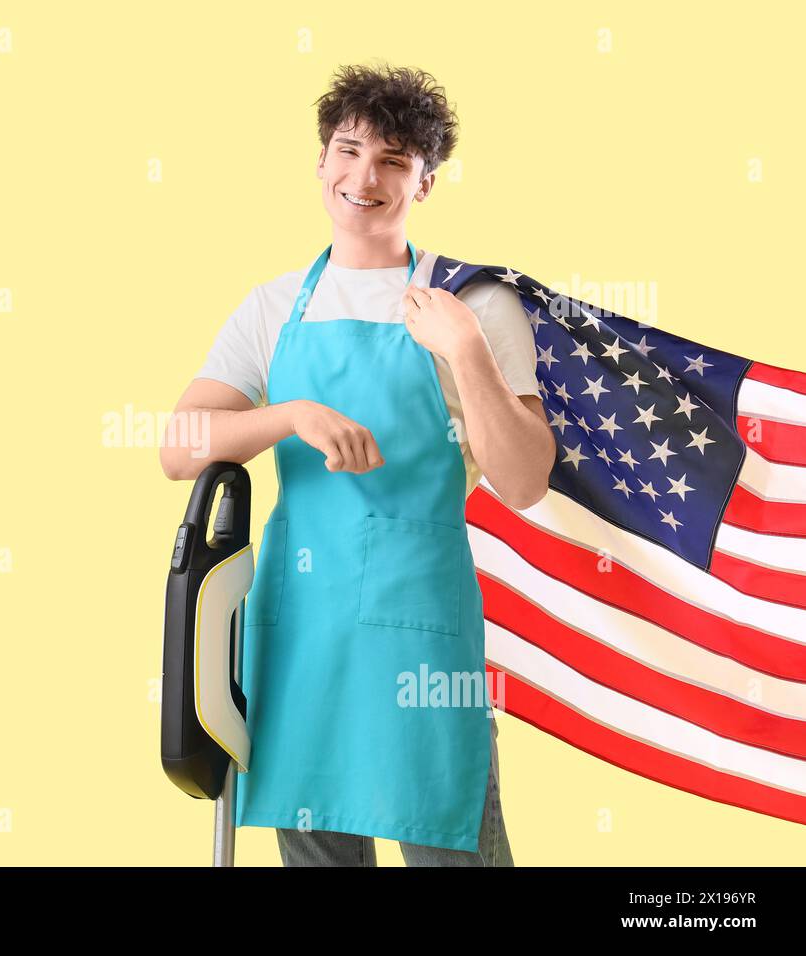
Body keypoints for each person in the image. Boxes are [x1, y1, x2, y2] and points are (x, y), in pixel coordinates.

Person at [160, 62, 556, 866]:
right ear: (321, 161)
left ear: (427, 180)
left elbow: (523, 480)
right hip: (300, 627)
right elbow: (178, 445)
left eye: (394, 161)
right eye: (349, 150)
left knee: (451, 841)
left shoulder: (476, 305)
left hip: (422, 635)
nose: (364, 177)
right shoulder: (272, 306)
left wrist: (467, 353)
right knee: (315, 851)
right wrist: (290, 415)